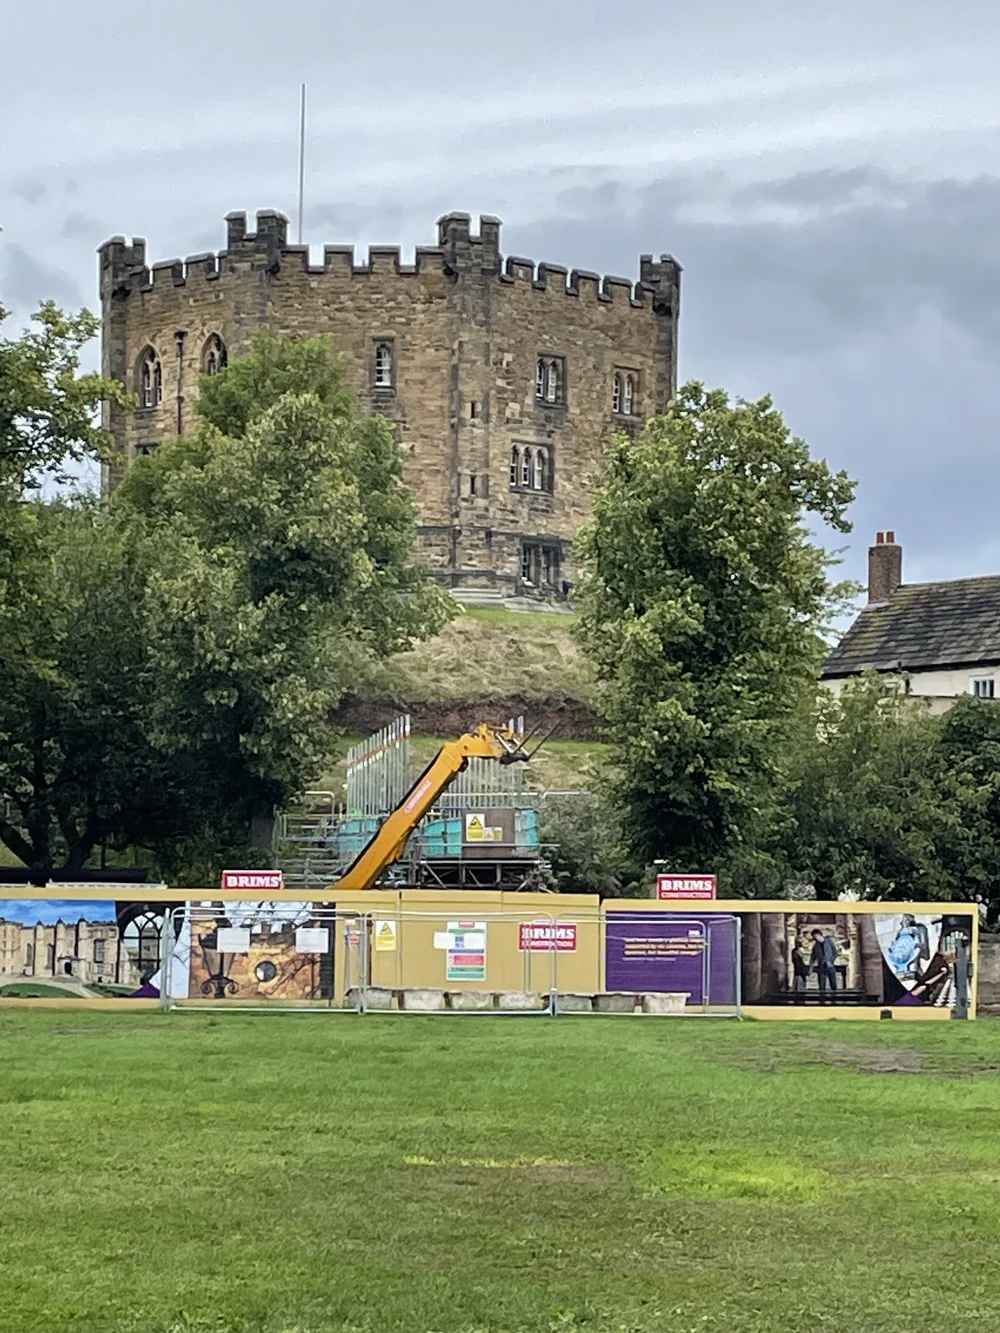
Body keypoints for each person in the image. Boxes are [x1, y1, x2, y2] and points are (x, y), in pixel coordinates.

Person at [810, 929, 839, 998]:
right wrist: (811, 967)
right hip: (821, 967)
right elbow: (812, 957)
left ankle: (834, 999)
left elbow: (835, 952)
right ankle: (822, 1000)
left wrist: (831, 961)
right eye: (814, 937)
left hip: (830, 966)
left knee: (833, 984)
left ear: (819, 935)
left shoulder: (829, 941)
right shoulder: (816, 946)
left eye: (816, 936)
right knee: (822, 985)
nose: (815, 938)